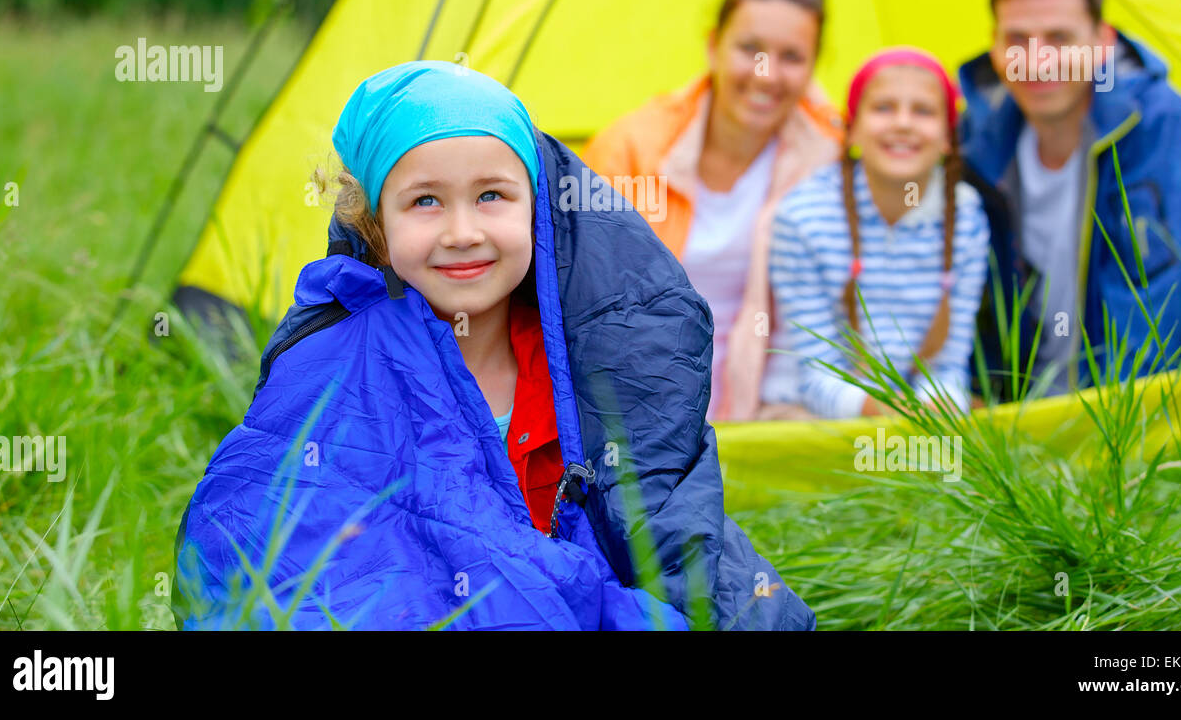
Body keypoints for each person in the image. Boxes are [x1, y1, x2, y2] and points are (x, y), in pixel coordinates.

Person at [173, 61, 814, 631]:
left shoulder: (593, 364)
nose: (462, 231)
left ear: (538, 210)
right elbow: (277, 545)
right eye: (425, 201)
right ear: (373, 219)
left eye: (491, 196)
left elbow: (664, 515)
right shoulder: (336, 360)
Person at [582, 0, 841, 421]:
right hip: (643, 416)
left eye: (792, 57)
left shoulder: (830, 155)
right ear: (712, 47)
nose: (767, 75)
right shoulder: (629, 149)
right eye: (750, 50)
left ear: (812, 69)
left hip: (773, 417)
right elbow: (583, 305)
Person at [958, 0, 1181, 398]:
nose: (1037, 61)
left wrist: (1105, 449)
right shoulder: (976, 136)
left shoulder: (1157, 124)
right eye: (1017, 40)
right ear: (993, 47)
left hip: (1114, 425)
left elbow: (1157, 313)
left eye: (1059, 39)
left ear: (1103, 42)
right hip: (1004, 425)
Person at [764, 47, 991, 417]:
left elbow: (949, 365)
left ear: (948, 138)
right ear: (851, 128)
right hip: (810, 412)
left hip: (913, 412)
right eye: (883, 108)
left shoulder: (965, 218)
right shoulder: (802, 217)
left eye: (923, 111)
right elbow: (815, 371)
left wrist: (937, 405)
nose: (903, 123)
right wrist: (884, 410)